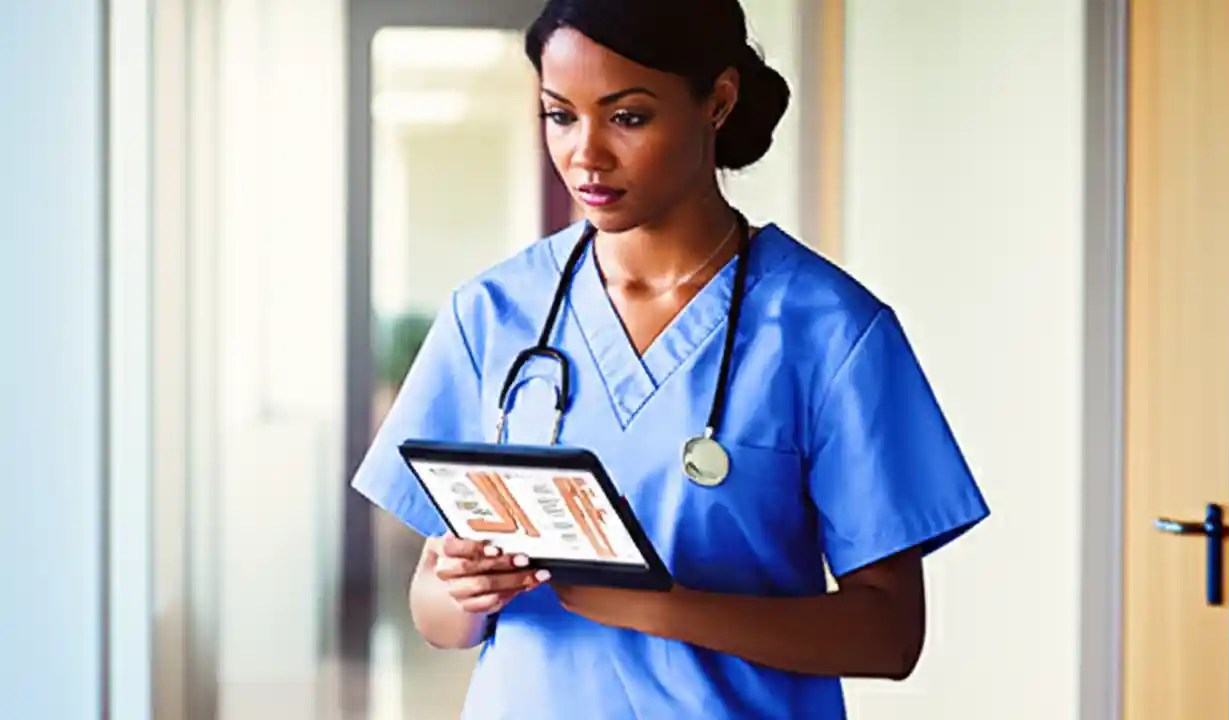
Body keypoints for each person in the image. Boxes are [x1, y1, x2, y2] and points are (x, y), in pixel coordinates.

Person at [351, 0, 990, 717]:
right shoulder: (494, 314)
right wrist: (460, 592)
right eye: (560, 115)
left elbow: (888, 635)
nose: (585, 154)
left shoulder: (830, 330)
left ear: (717, 101)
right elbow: (437, 619)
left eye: (627, 117)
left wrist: (662, 606)